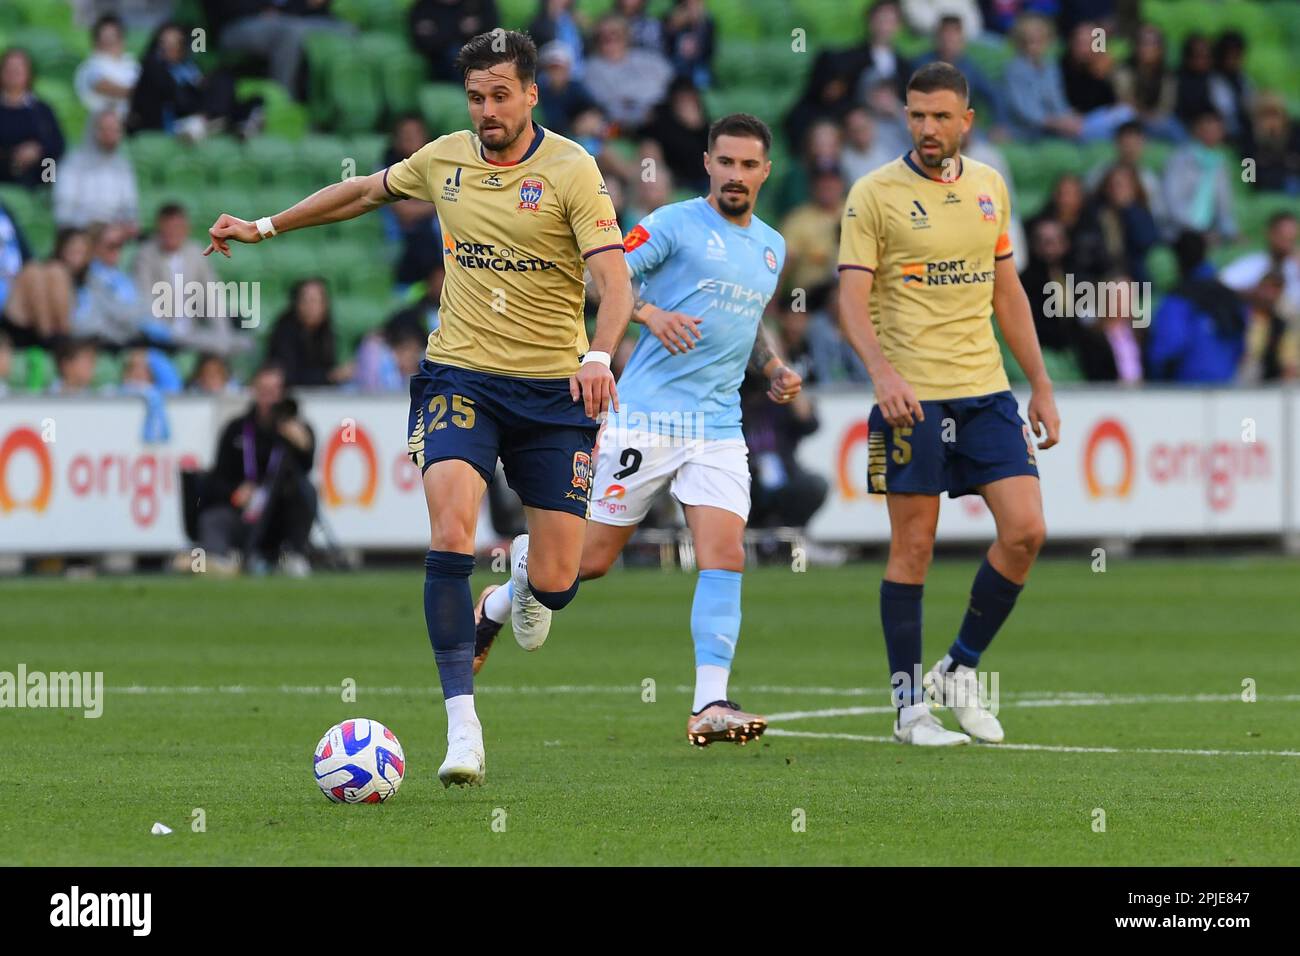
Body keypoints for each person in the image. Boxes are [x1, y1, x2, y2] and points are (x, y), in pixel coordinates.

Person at [202, 30, 633, 787]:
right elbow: (365, 191)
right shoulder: (444, 159)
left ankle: (517, 588)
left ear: (533, 93)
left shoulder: (572, 169)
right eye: (476, 97)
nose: (488, 110)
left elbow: (614, 278)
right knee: (451, 536)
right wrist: (264, 226)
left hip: (552, 392)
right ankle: (462, 726)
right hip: (460, 377)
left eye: (502, 95)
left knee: (562, 581)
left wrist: (598, 354)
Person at [474, 113, 797, 746]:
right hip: (644, 417)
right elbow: (599, 276)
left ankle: (710, 702)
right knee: (583, 566)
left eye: (748, 164)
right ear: (707, 163)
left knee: (724, 554)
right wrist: (649, 313)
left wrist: (773, 365)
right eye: (725, 162)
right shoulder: (674, 224)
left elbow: (745, 319)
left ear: (765, 170)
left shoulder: (772, 246)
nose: (735, 175)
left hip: (718, 425)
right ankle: (501, 597)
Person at [836, 62, 1060, 746]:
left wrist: (1041, 385)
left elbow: (1008, 293)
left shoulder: (990, 187)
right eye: (915, 116)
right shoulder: (873, 194)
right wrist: (881, 374)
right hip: (911, 399)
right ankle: (909, 710)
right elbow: (849, 298)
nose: (927, 129)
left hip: (986, 390)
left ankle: (959, 667)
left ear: (967, 121)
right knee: (914, 547)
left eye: (940, 117)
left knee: (1026, 532)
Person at [199, 363, 317, 577]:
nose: (268, 399)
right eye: (262, 392)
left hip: (278, 514)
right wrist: (236, 492)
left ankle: (294, 555)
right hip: (245, 512)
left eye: (273, 392)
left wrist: (303, 445)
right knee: (214, 518)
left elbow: (306, 470)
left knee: (306, 490)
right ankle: (218, 560)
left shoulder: (295, 429)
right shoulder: (236, 429)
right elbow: (215, 481)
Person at [1146, 230, 1246, 383]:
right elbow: (1241, 346)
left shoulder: (1178, 299)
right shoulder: (1231, 298)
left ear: (1177, 260)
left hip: (1185, 390)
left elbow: (1168, 348)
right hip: (1228, 388)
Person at [53, 109, 140, 232]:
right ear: (93, 132)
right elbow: (64, 212)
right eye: (105, 129)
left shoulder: (123, 166)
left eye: (115, 130)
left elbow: (130, 207)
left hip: (114, 235)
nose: (110, 135)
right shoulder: (72, 164)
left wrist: (128, 224)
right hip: (81, 233)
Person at [583, 15, 673, 131]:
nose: (610, 38)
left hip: (663, 111)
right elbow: (609, 107)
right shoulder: (592, 69)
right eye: (603, 36)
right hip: (629, 124)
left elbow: (674, 82)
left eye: (615, 33)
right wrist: (641, 113)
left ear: (626, 36)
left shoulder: (649, 59)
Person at [265, 277, 351, 387]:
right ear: (297, 303)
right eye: (307, 300)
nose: (311, 307)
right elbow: (287, 376)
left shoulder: (326, 331)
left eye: (317, 301)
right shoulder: (284, 332)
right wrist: (331, 376)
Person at [0, 48, 65, 188]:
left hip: (35, 189)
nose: (13, 73)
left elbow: (57, 147)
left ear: (29, 73)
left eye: (19, 68)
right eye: (9, 68)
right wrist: (11, 156)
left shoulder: (42, 111)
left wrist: (38, 151)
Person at [408, 0, 499, 82]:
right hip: (440, 61)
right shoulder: (423, 7)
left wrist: (441, 31)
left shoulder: (480, 3)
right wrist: (460, 30)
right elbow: (422, 43)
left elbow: (492, 31)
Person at [74, 14, 141, 119]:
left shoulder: (131, 64)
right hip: (102, 126)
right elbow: (103, 85)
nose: (110, 42)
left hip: (131, 122)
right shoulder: (92, 66)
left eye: (114, 37)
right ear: (96, 41)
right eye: (105, 38)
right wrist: (144, 91)